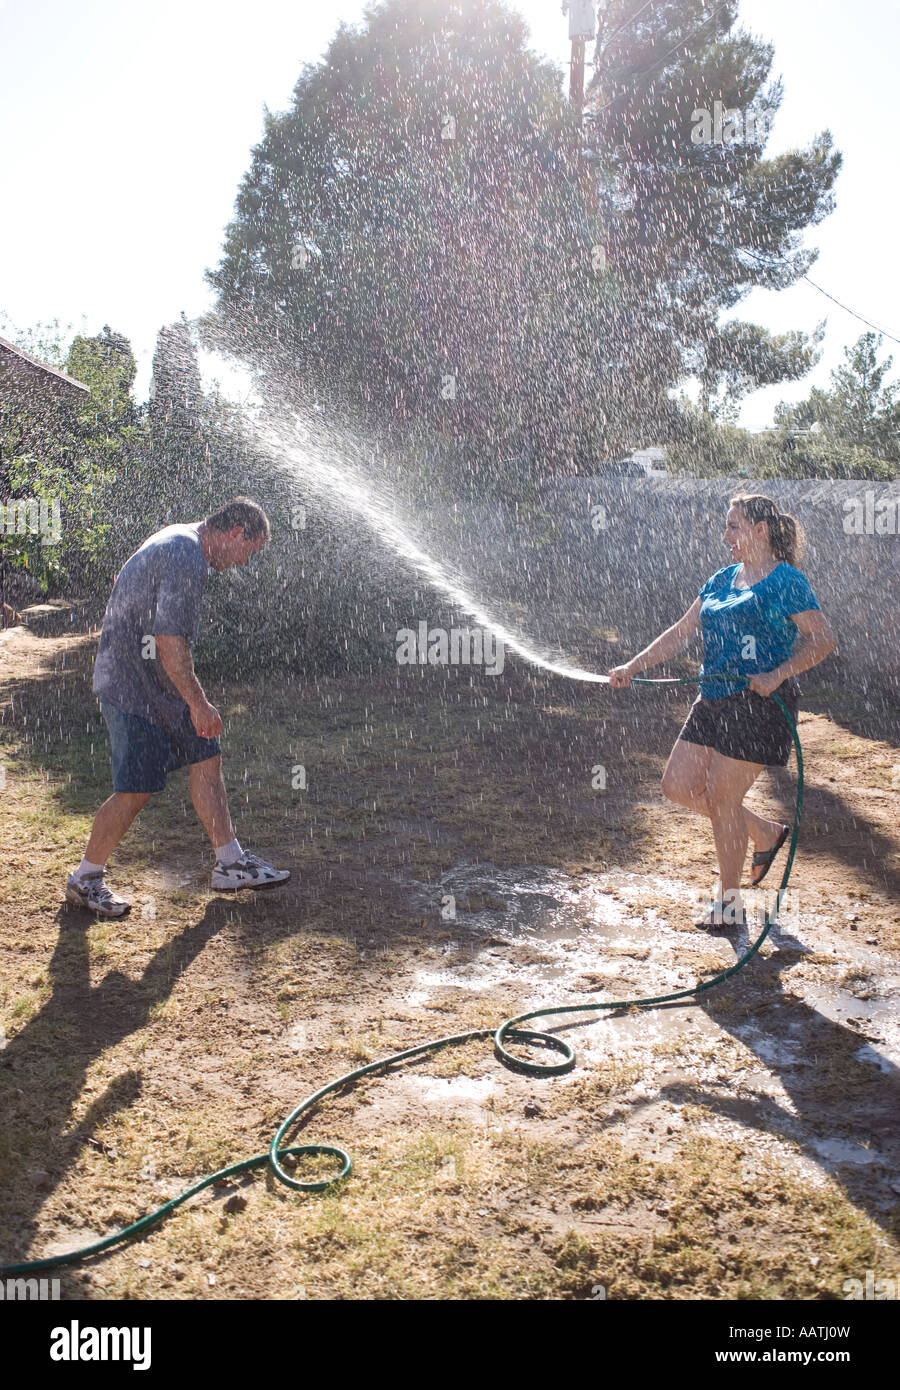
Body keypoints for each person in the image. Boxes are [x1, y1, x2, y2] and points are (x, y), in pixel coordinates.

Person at [608, 494, 836, 929]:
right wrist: (632, 666)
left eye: (733, 526)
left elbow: (823, 639)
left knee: (723, 799)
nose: (725, 535)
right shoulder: (721, 580)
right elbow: (681, 632)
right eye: (726, 526)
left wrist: (777, 674)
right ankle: (762, 832)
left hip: (759, 704)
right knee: (677, 785)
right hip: (712, 697)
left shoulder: (785, 581)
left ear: (760, 531)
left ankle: (729, 904)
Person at [65, 497, 291, 918]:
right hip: (132, 686)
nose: (244, 563)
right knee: (137, 788)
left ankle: (230, 863)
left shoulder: (185, 541)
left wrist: (193, 705)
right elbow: (169, 642)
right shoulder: (186, 554)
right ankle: (85, 879)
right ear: (236, 533)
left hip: (156, 681)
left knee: (207, 753)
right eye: (249, 551)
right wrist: (198, 703)